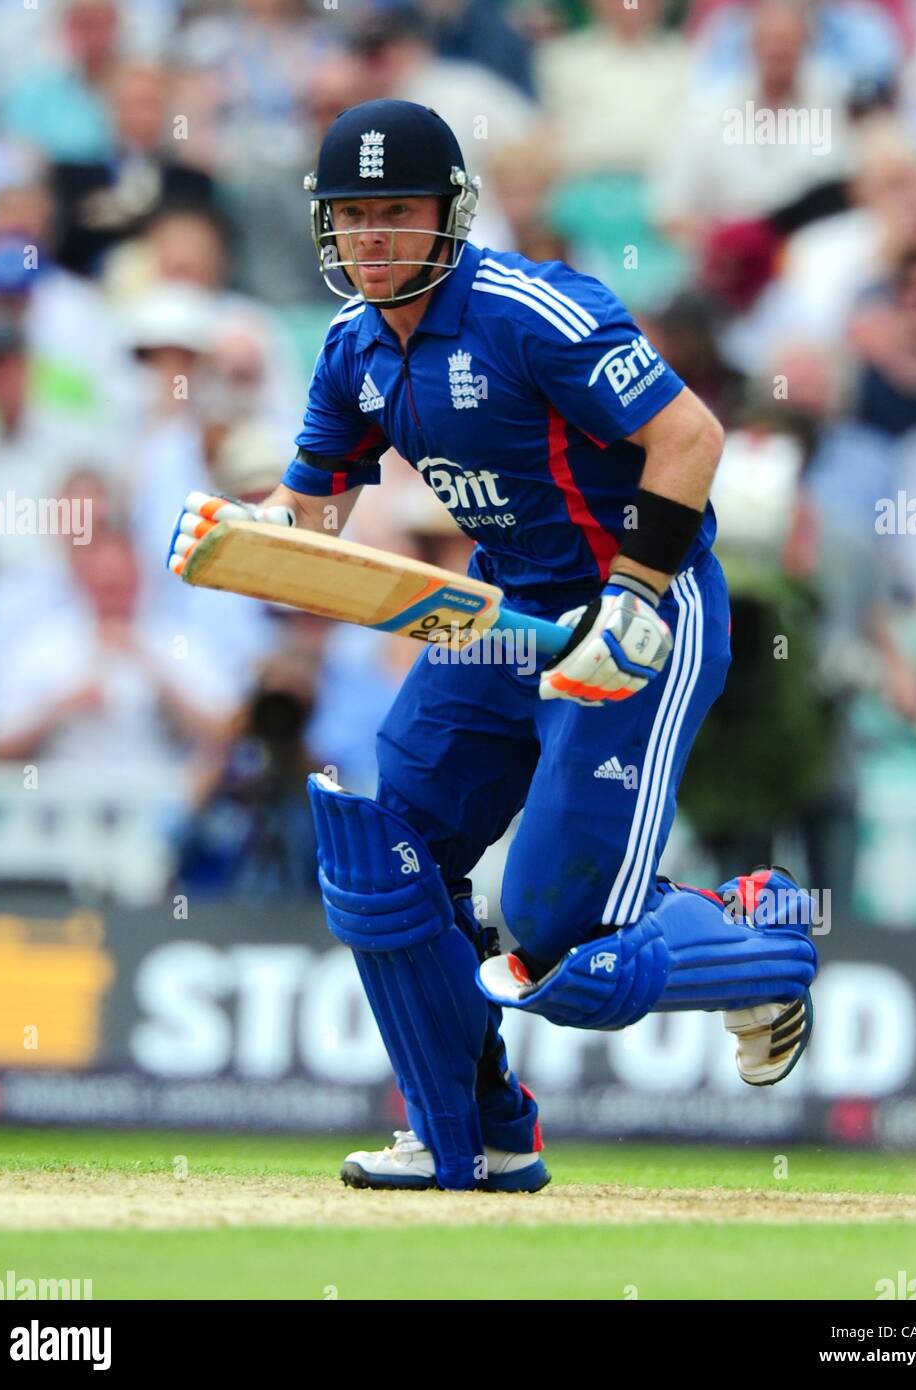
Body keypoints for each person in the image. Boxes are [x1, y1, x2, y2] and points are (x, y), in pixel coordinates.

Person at [168, 100, 818, 1192]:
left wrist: (634, 592)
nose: (372, 237)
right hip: (504, 616)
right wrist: (251, 533)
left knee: (563, 941)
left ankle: (760, 935)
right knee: (387, 859)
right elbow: (314, 510)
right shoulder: (352, 350)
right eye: (352, 215)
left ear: (449, 214)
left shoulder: (528, 311)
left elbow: (691, 436)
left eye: (396, 212)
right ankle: (471, 1131)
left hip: (640, 611)